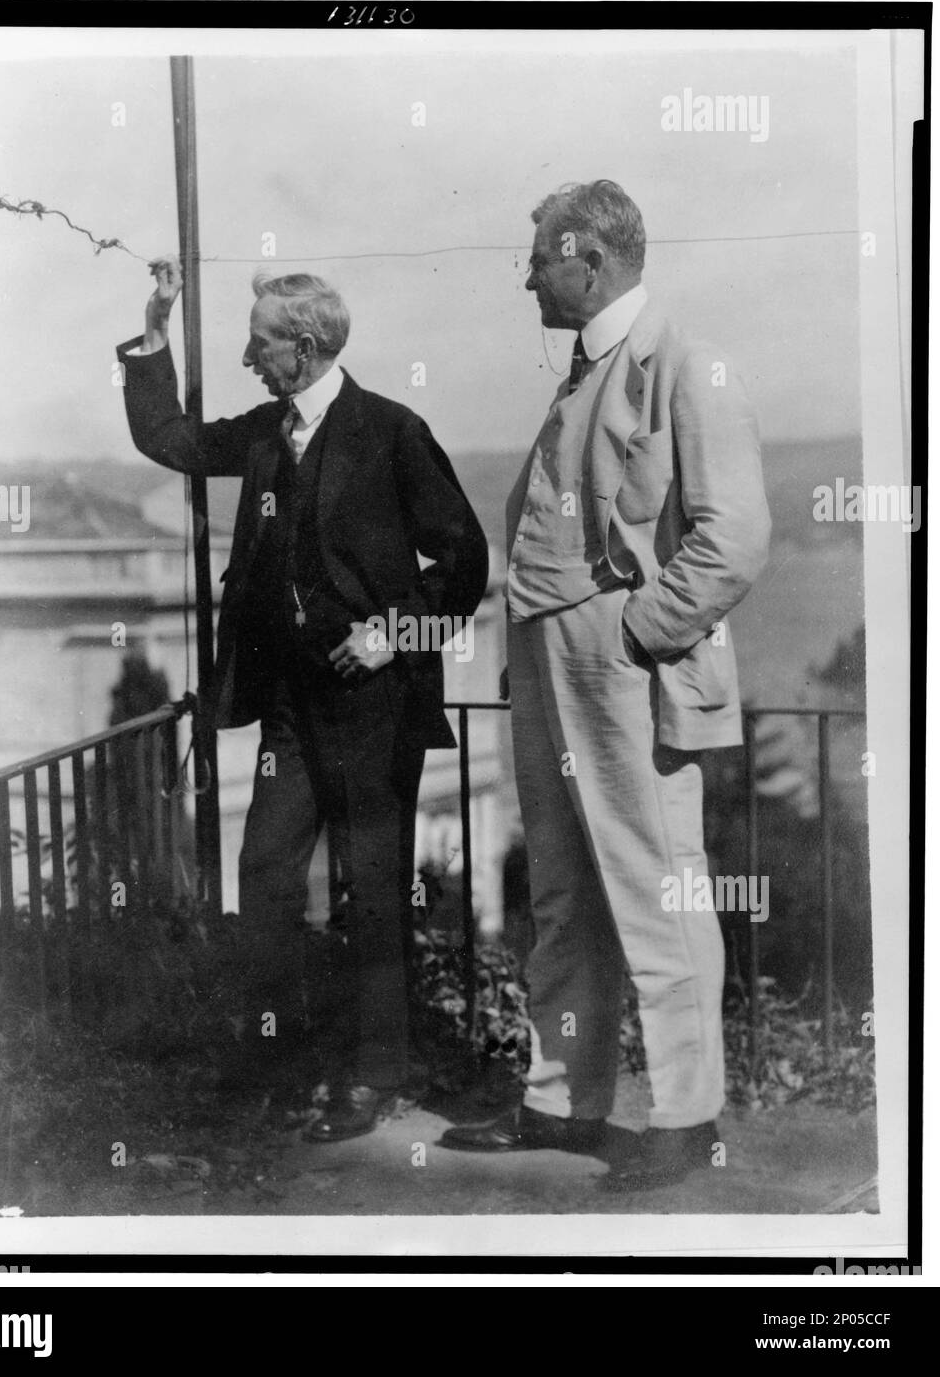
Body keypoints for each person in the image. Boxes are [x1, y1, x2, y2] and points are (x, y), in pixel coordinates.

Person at [439, 180, 770, 1190]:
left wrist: (635, 632)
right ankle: (560, 1099)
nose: (528, 273)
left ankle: (685, 1117)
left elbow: (734, 538)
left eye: (538, 254)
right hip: (547, 664)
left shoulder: (680, 362)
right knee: (560, 889)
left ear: (587, 256)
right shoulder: (587, 366)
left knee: (655, 885)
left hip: (624, 670)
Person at [117, 262, 488, 1142]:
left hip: (373, 708)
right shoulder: (259, 435)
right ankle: (275, 1063)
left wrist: (393, 631)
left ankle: (373, 1078)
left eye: (260, 341)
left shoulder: (391, 433)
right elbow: (170, 440)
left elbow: (464, 558)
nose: (247, 355)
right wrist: (154, 334)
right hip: (286, 708)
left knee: (371, 889)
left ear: (307, 347)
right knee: (268, 876)